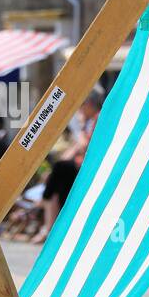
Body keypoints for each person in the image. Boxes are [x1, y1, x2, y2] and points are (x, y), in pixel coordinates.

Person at [31, 91, 101, 244]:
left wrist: (81, 126)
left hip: (91, 168)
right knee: (58, 177)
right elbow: (75, 149)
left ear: (89, 105)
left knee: (59, 172)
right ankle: (50, 226)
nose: (80, 110)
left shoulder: (97, 119)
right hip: (81, 166)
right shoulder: (91, 121)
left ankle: (48, 226)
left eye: (82, 106)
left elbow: (85, 146)